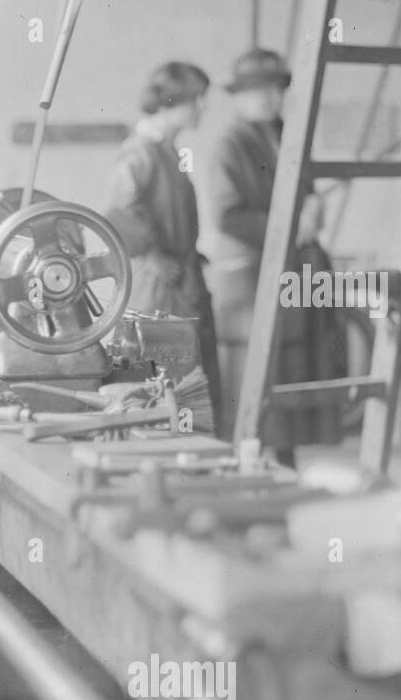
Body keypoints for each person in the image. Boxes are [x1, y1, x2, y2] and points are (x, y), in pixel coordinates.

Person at [205, 48, 344, 462]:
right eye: (258, 90)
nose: (269, 98)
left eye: (275, 89)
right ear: (238, 96)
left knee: (298, 362)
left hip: (293, 269)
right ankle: (258, 459)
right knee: (261, 369)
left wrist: (313, 208)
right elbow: (228, 216)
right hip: (252, 275)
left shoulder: (287, 134)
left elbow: (307, 191)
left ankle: (286, 457)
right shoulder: (230, 144)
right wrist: (290, 226)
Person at [99, 61, 222, 435]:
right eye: (196, 99)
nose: (203, 107)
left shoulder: (166, 151)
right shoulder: (140, 152)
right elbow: (118, 211)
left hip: (179, 283)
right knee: (168, 388)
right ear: (172, 101)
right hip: (158, 291)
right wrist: (152, 255)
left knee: (188, 388)